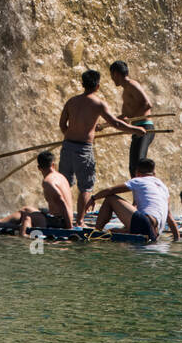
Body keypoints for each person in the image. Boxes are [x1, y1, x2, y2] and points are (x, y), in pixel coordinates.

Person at [59, 70, 141, 227]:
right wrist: (135, 130)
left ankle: (65, 218)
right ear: (97, 86)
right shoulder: (98, 104)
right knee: (85, 187)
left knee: (65, 184)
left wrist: (70, 135)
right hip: (83, 149)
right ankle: (80, 221)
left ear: (82, 84)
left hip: (67, 146)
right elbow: (116, 123)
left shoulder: (71, 102)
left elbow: (62, 125)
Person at [0, 152, 73, 236]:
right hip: (62, 218)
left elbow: (62, 202)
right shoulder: (61, 177)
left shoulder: (48, 182)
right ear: (53, 165)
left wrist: (69, 228)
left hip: (60, 222)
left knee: (27, 216)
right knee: (26, 209)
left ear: (39, 168)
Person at [87, 158, 180, 244]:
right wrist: (177, 239)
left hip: (145, 223)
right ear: (154, 173)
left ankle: (96, 231)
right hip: (154, 234)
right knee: (113, 231)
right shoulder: (163, 187)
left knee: (110, 198)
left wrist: (93, 198)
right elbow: (170, 217)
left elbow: (111, 190)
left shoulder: (138, 181)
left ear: (137, 173)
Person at [108, 60, 155, 178]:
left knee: (140, 166)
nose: (112, 79)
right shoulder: (125, 91)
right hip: (136, 128)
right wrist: (105, 124)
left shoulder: (132, 85)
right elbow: (124, 116)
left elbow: (147, 104)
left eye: (111, 75)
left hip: (144, 127)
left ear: (116, 74)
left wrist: (131, 117)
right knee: (133, 168)